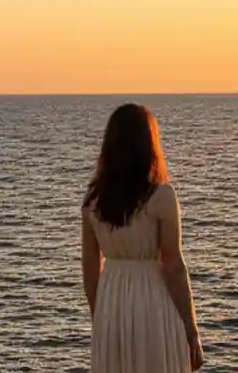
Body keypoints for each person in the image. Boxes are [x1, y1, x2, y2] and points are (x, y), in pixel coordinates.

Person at [82, 104, 203, 372]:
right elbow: (173, 265)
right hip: (152, 298)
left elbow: (90, 267)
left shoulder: (93, 201)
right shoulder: (161, 197)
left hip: (111, 300)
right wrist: (191, 328)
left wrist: (99, 315)